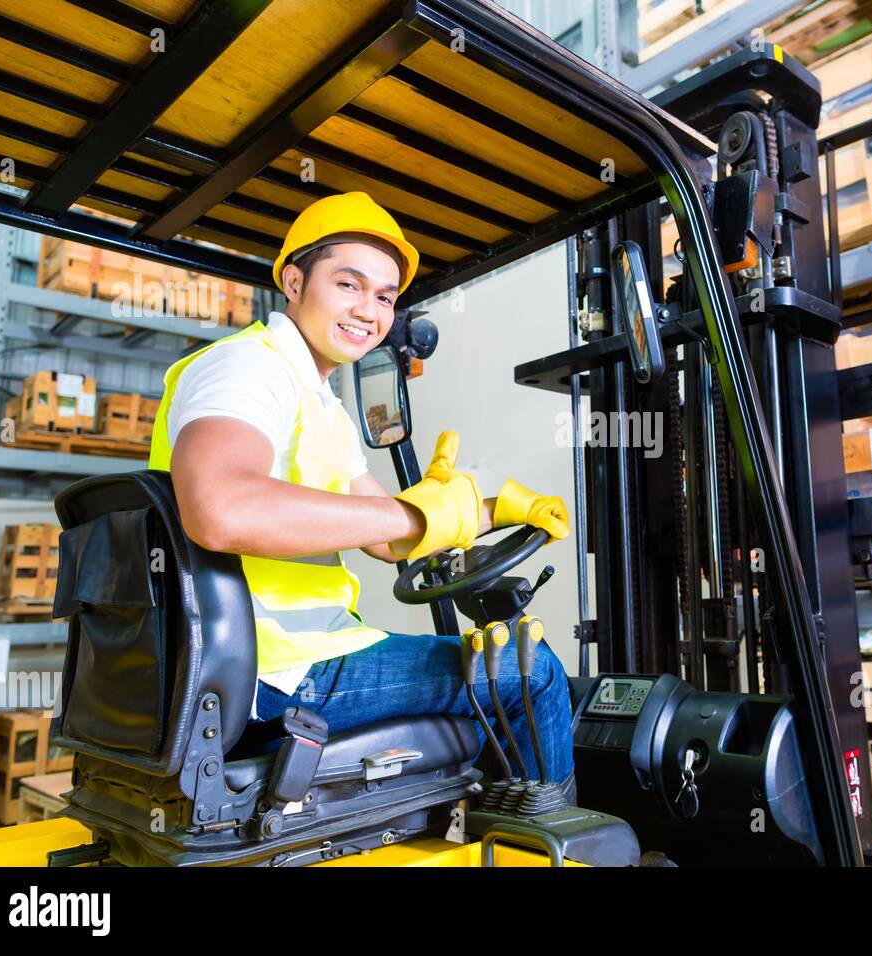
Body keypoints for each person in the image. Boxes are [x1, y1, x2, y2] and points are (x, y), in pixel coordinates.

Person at [146, 191, 576, 794]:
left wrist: (481, 511)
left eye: (384, 297)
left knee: (487, 698)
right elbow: (221, 509)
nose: (368, 310)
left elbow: (388, 542)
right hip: (276, 672)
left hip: (288, 659)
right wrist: (408, 515)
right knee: (537, 674)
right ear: (293, 282)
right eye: (349, 285)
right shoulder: (249, 368)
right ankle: (557, 845)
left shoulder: (320, 401)